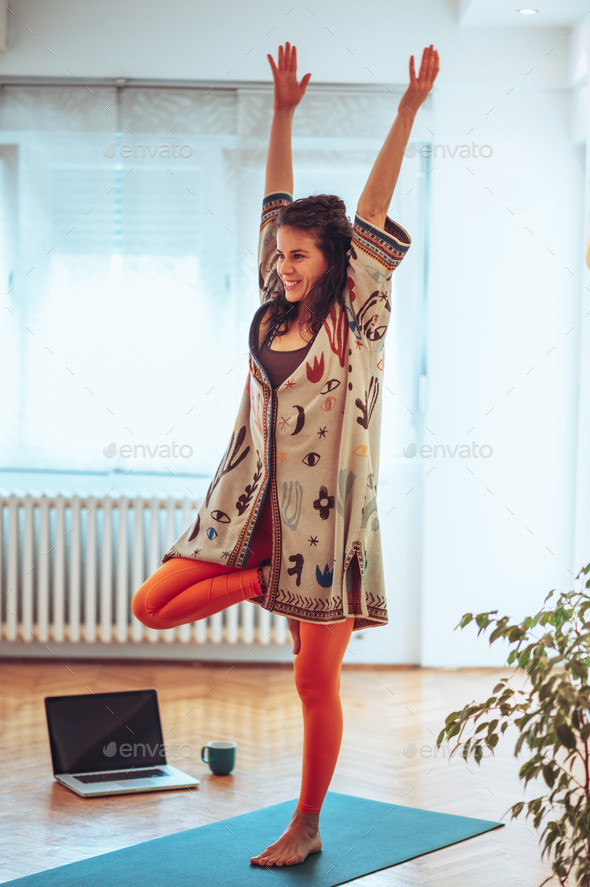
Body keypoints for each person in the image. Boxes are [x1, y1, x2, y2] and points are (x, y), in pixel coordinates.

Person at [131, 40, 439, 867]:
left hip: (329, 534)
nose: (284, 264)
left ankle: (306, 825)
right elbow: (274, 201)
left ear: (334, 260)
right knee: (152, 603)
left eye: (300, 255)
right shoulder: (271, 313)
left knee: (312, 683)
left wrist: (407, 110)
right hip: (252, 508)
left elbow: (373, 207)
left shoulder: (356, 316)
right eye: (280, 254)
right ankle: (268, 587)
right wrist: (281, 113)